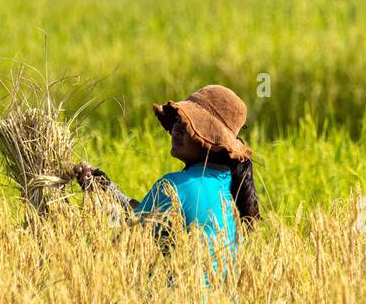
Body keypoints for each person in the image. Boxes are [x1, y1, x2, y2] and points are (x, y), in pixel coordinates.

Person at [73, 83, 258, 280]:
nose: (177, 128)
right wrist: (106, 190)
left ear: (211, 141)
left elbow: (126, 248)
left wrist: (104, 207)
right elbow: (153, 215)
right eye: (178, 120)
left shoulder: (173, 186)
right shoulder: (231, 186)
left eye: (188, 124)